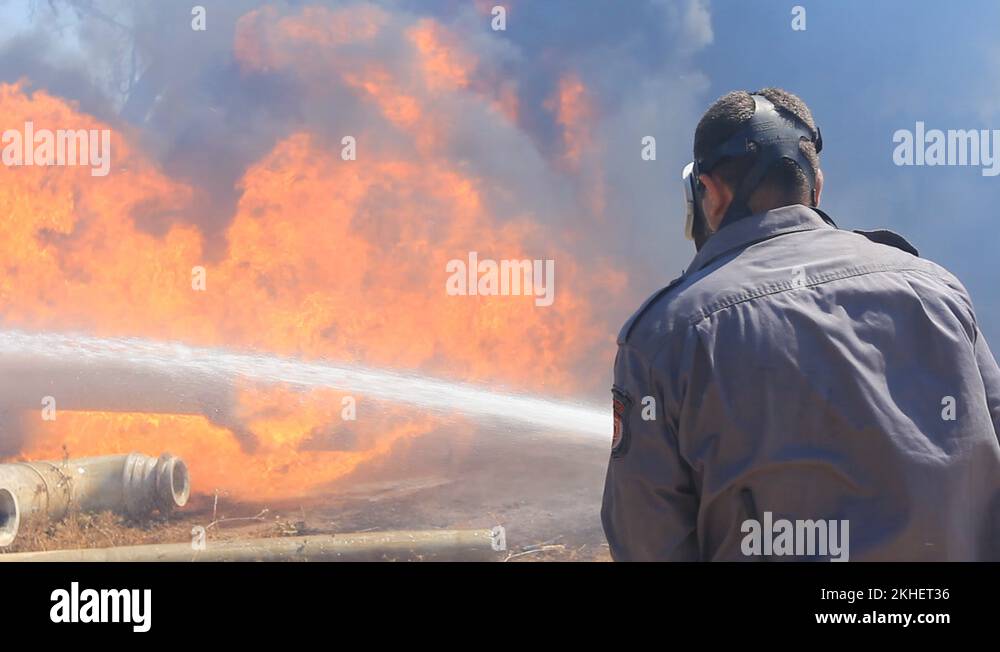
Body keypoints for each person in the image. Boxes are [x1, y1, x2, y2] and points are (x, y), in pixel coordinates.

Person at [601, 87, 1000, 561]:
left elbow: (649, 543)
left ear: (706, 193)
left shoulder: (665, 337)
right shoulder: (938, 291)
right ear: (817, 186)